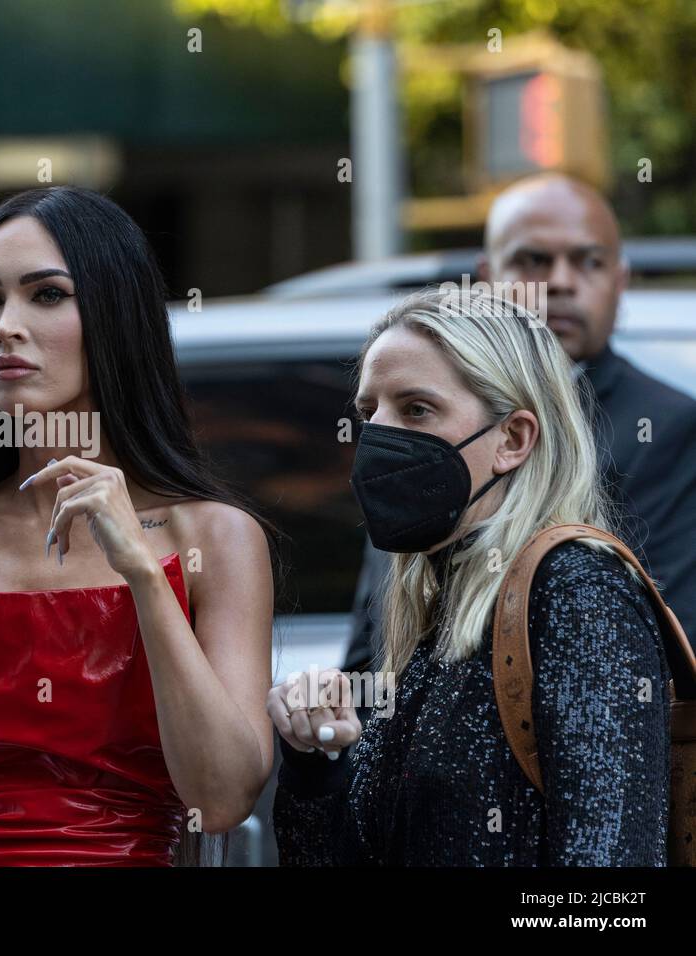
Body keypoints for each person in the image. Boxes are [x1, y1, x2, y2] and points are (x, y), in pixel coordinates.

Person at [0, 186, 276, 867]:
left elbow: (222, 799)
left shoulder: (212, 537)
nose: (5, 327)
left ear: (116, 315)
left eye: (47, 294)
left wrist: (142, 574)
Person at [272, 288, 670, 866]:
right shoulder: (438, 606)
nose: (379, 437)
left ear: (513, 439)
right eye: (369, 412)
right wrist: (315, 762)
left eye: (416, 409)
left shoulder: (577, 594)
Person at [345, 172, 696, 677]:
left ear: (620, 282)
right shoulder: (410, 421)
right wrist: (330, 716)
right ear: (487, 277)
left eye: (589, 261)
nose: (560, 281)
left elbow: (651, 645)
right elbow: (374, 644)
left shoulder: (667, 427)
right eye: (533, 260)